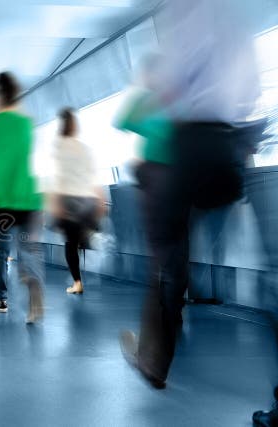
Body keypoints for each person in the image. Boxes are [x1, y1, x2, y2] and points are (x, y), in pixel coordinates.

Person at [115, 0, 263, 396]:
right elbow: (248, 92)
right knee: (182, 253)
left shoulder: (182, 16)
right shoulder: (237, 21)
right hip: (221, 156)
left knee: (164, 258)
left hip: (176, 166)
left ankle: (154, 357)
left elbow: (167, 91)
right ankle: (175, 320)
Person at [0, 72, 45, 323]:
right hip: (27, 197)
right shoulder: (26, 123)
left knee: (0, 250)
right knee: (29, 248)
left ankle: (1, 298)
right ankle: (32, 283)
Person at [48, 108, 105, 295]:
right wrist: (100, 199)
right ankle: (88, 234)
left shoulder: (58, 145)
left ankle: (77, 282)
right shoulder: (84, 147)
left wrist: (54, 201)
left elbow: (58, 176)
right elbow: (92, 176)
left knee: (70, 244)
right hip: (87, 199)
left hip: (68, 199)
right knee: (78, 235)